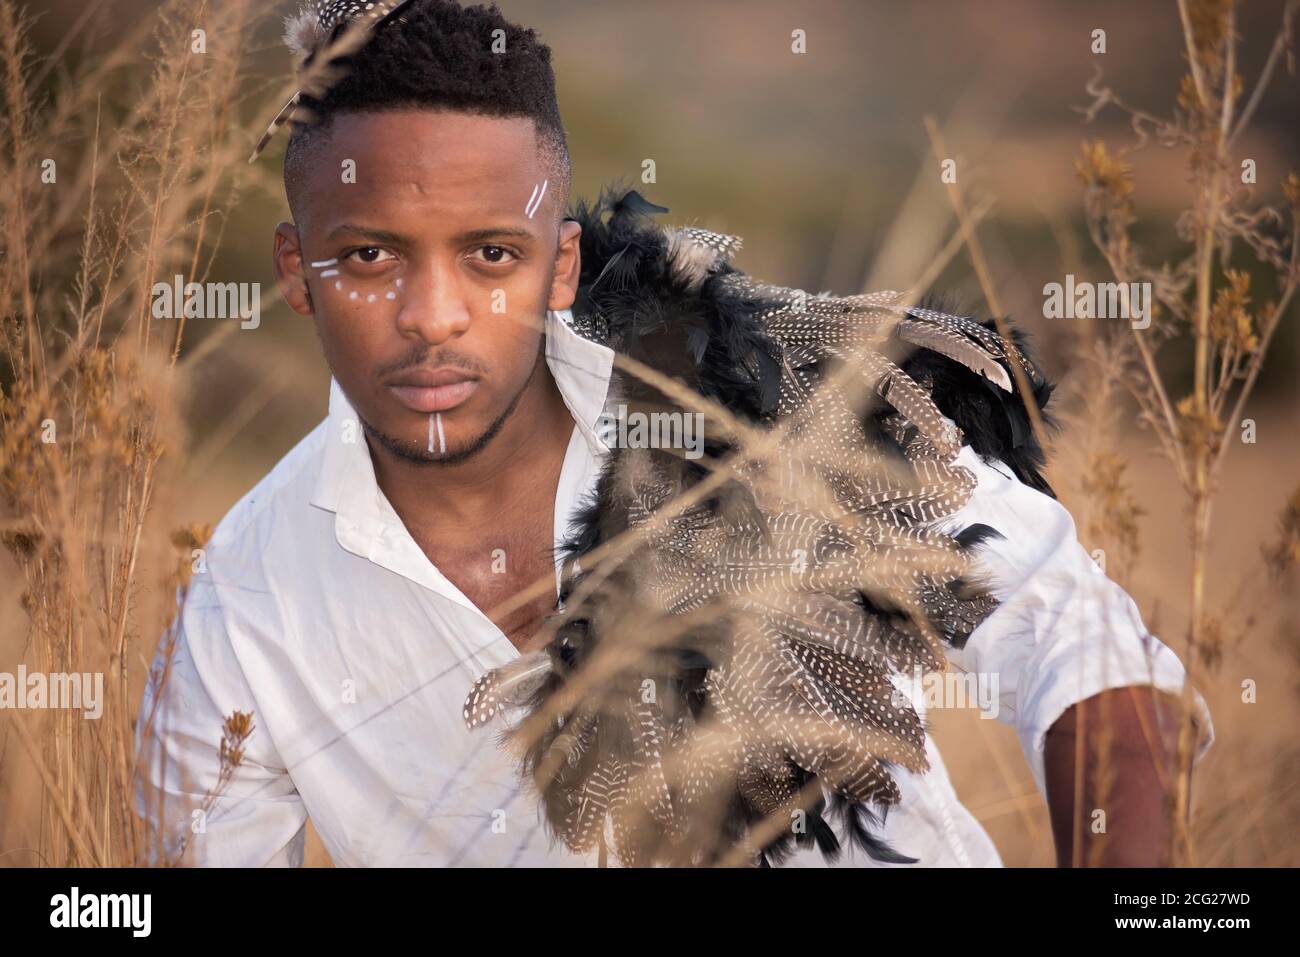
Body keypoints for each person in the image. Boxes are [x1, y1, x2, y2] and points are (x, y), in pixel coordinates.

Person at [135, 0, 1212, 867]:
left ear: (559, 268)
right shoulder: (246, 602)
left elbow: (1079, 644)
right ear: (296, 271)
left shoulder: (760, 401)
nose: (432, 315)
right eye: (369, 257)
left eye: (490, 258)